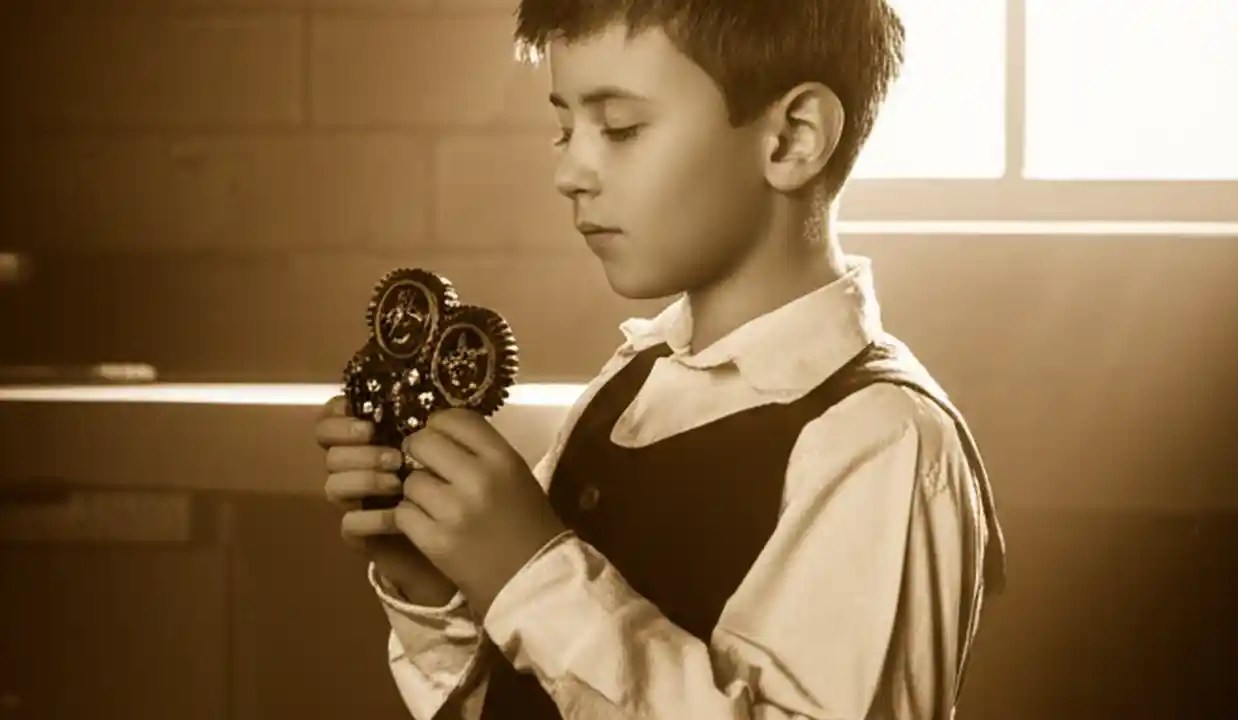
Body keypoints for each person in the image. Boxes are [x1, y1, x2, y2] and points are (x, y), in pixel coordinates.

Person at [315, 1, 1007, 717]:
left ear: (792, 139)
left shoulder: (883, 439)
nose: (570, 172)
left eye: (620, 128)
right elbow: (522, 696)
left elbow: (543, 603)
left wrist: (531, 576)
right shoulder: (632, 379)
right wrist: (436, 581)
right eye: (564, 127)